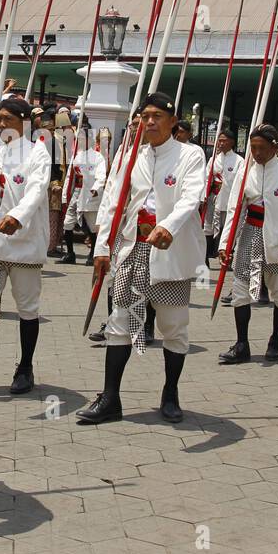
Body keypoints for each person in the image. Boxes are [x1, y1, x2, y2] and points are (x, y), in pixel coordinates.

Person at [78, 93, 206, 425]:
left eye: (157, 116)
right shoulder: (131, 156)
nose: (149, 122)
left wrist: (168, 226)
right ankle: (110, 398)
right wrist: (102, 247)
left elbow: (192, 196)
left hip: (170, 249)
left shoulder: (190, 154)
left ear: (172, 120)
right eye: (145, 116)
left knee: (173, 326)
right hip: (134, 247)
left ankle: (170, 392)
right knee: (120, 321)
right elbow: (112, 200)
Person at [218, 123, 278, 364]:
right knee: (240, 290)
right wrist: (225, 244)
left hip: (277, 240)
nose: (256, 153)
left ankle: (275, 338)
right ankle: (241, 343)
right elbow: (235, 209)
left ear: (274, 147)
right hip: (249, 236)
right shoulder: (246, 171)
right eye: (252, 147)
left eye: (261, 148)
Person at [0, 97, 51, 396]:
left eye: (7, 119)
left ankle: (25, 367)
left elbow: (37, 189)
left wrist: (17, 216)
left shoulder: (38, 152)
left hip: (25, 243)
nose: (1, 125)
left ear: (24, 122)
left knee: (27, 309)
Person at [60, 125, 106, 265]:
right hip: (76, 193)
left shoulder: (98, 157)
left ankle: (93, 253)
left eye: (82, 138)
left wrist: (96, 188)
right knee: (68, 223)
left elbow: (101, 176)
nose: (79, 140)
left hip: (90, 195)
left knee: (92, 226)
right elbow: (69, 176)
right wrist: (64, 195)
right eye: (78, 138)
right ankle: (70, 253)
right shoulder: (76, 156)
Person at [203, 129, 243, 262]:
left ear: (231, 142)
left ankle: (227, 256)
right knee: (208, 227)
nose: (220, 143)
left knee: (229, 228)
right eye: (219, 140)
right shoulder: (213, 159)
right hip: (213, 200)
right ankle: (206, 258)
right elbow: (206, 179)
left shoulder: (239, 161)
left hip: (229, 200)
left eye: (223, 140)